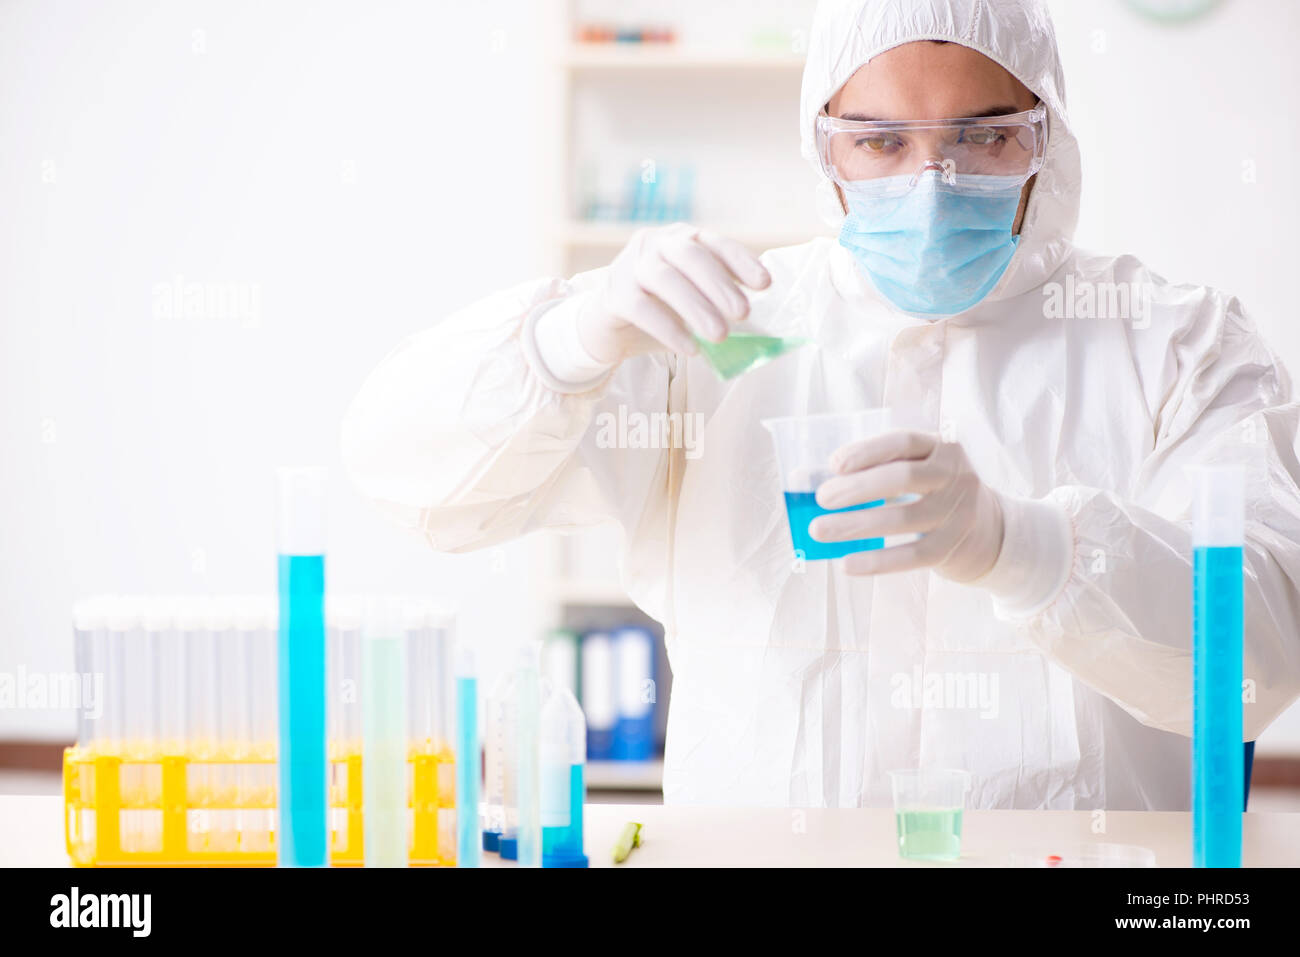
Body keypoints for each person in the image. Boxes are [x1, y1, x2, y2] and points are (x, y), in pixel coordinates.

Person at [341, 0, 1300, 809]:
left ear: (1046, 136)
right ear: (822, 144)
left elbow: (1265, 655)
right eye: (880, 142)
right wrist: (569, 341)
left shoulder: (1177, 344)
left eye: (984, 137)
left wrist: (1021, 546)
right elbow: (409, 478)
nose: (932, 186)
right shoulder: (720, 331)